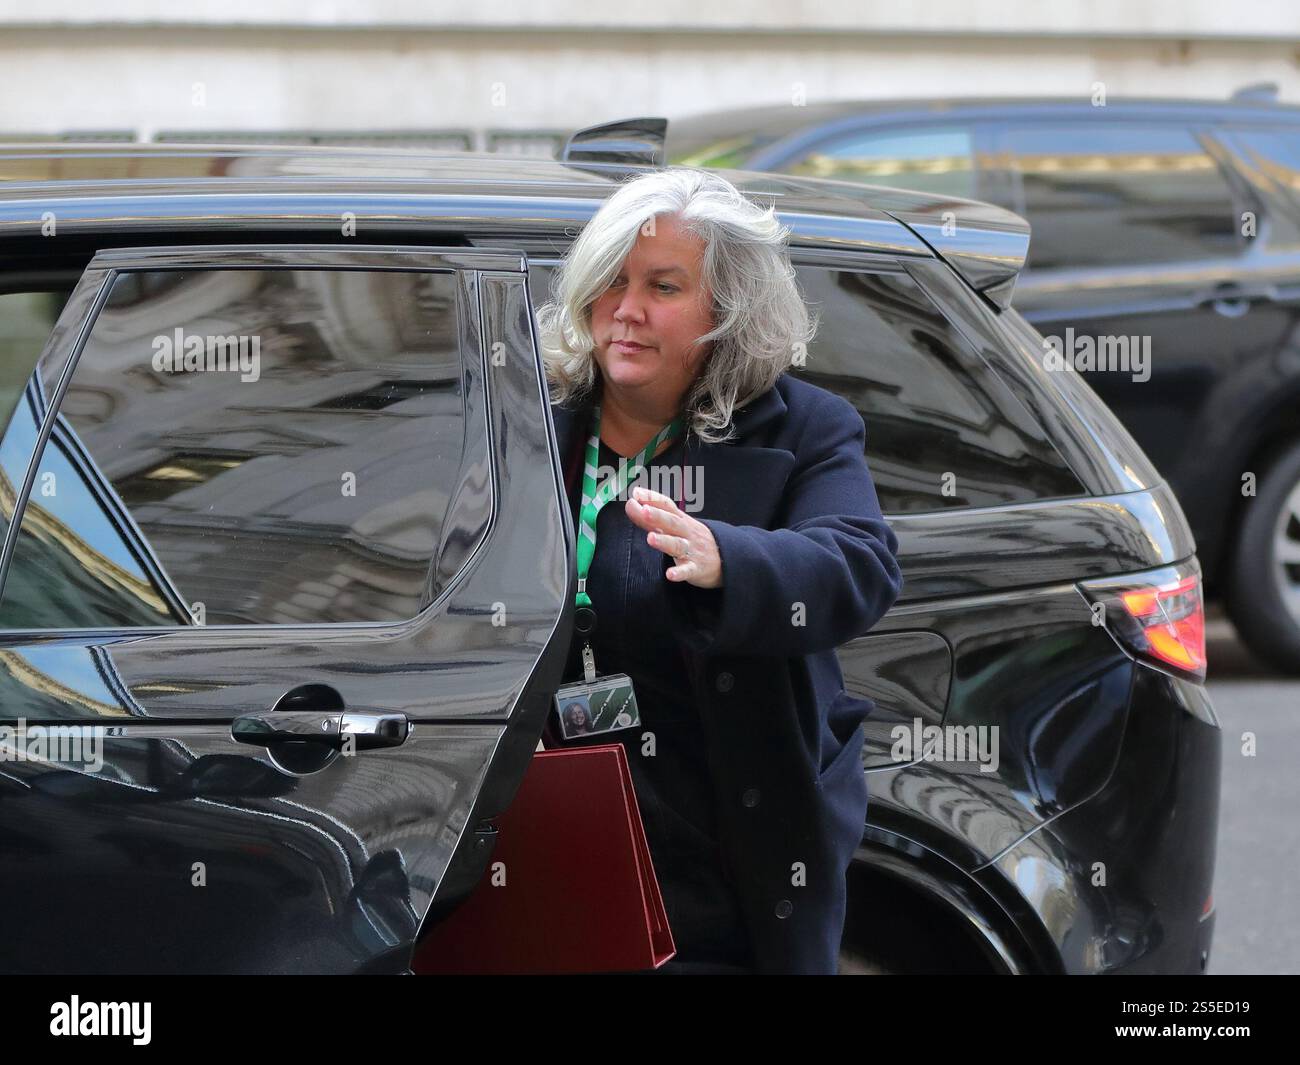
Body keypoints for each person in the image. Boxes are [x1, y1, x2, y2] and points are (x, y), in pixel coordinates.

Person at [535, 166, 904, 975]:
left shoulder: (804, 427)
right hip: (556, 830)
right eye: (611, 283)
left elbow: (859, 560)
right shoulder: (534, 420)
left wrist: (727, 558)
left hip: (729, 838)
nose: (625, 310)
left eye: (662, 287)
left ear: (727, 312)